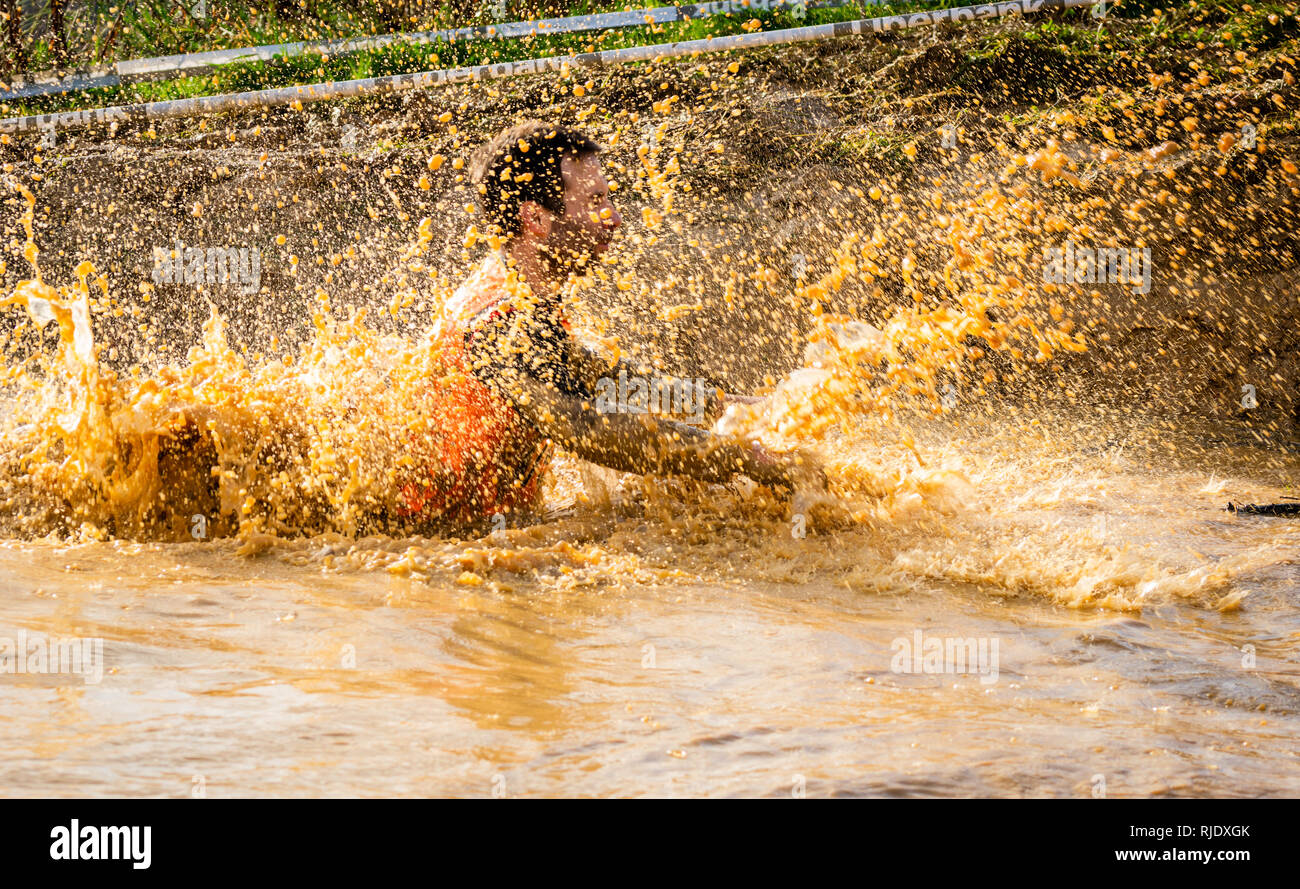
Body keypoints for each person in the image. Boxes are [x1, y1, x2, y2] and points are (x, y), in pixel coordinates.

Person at [397, 120, 818, 529]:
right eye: (596, 201)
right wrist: (748, 458)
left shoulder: (522, 297)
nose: (615, 219)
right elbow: (584, 426)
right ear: (536, 220)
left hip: (489, 530)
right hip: (438, 545)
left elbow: (604, 380)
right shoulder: (499, 321)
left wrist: (735, 407)